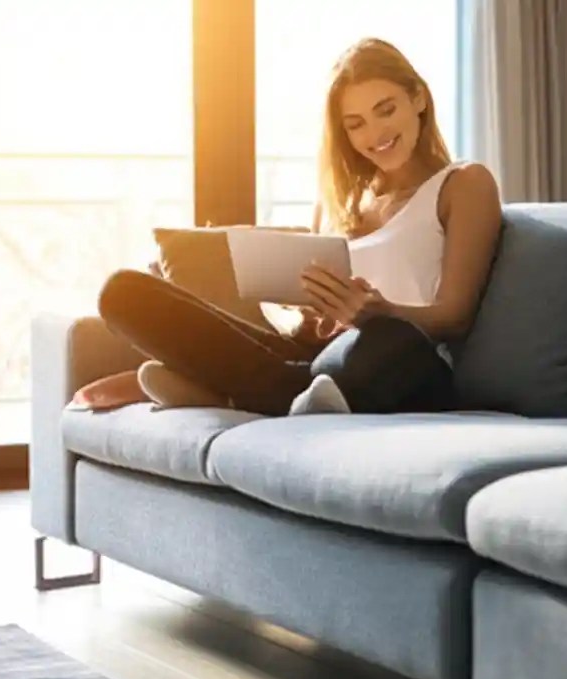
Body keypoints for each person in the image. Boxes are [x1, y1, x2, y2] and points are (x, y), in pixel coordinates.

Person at [71, 37, 502, 416]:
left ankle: (238, 392)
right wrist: (309, 319)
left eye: (385, 110)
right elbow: (320, 322)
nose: (376, 134)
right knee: (123, 293)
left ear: (419, 99)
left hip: (405, 364)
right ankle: (281, 395)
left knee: (386, 340)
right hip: (322, 361)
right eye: (356, 125)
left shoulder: (464, 184)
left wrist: (380, 313)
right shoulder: (344, 199)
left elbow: (455, 316)